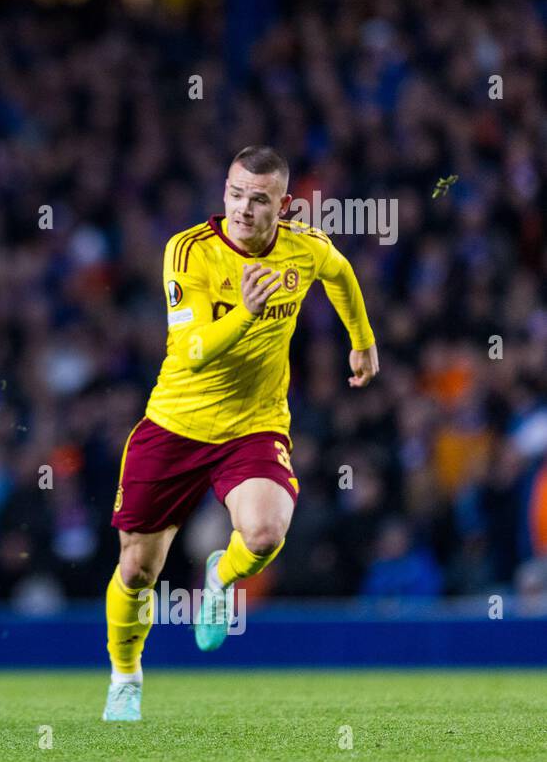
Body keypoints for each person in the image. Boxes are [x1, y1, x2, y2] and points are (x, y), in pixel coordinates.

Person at [102, 145, 378, 721]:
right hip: (176, 425)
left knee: (264, 535)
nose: (242, 209)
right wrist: (246, 314)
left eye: (258, 200)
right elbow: (194, 349)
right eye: (234, 194)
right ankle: (126, 675)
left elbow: (341, 273)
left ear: (283, 205)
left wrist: (362, 339)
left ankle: (219, 577)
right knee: (137, 571)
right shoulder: (188, 251)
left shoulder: (303, 248)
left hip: (253, 426)